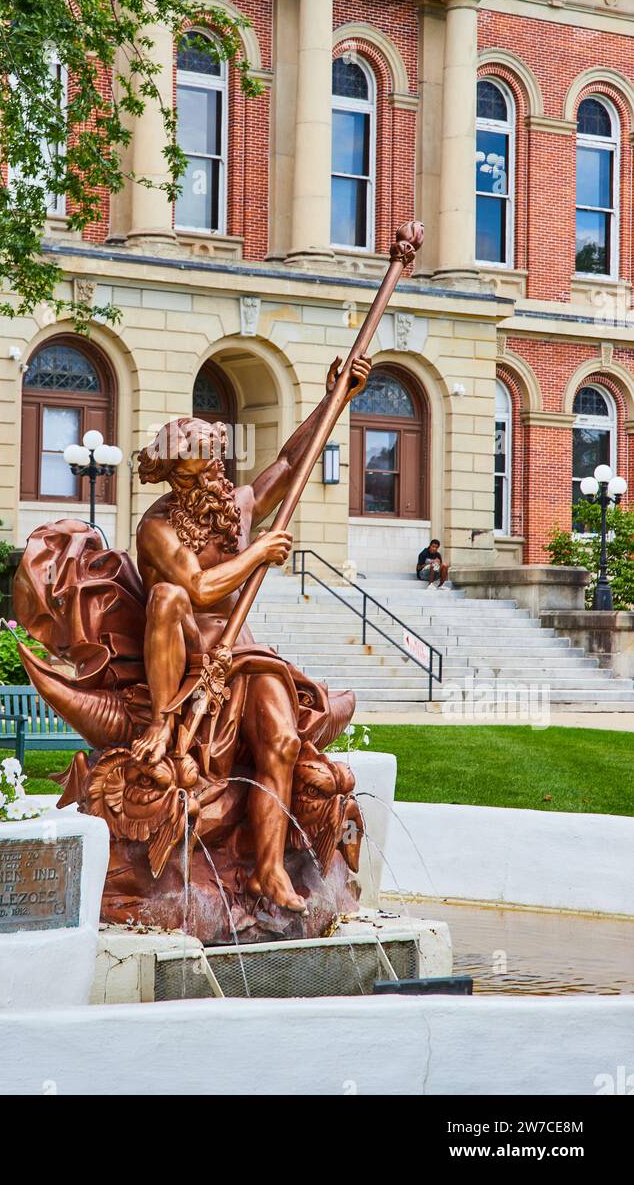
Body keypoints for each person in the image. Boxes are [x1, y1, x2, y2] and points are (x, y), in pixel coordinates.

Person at [131, 354, 372, 913]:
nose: (216, 471)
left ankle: (267, 871)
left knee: (283, 742)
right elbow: (198, 589)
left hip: (240, 646)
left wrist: (334, 398)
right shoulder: (158, 528)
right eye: (202, 464)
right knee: (168, 596)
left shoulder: (235, 506)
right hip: (185, 639)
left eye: (217, 457)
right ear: (176, 474)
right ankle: (164, 723)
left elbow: (291, 463)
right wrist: (260, 552)